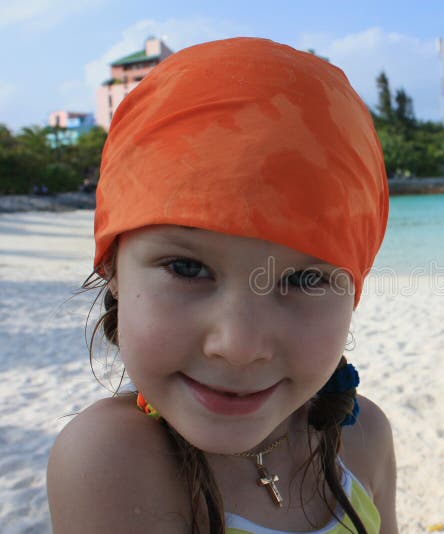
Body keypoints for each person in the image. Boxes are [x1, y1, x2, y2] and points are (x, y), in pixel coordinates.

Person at [47, 38, 397, 534]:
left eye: (305, 278)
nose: (238, 347)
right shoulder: (111, 458)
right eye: (188, 269)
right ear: (114, 270)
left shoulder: (365, 438)